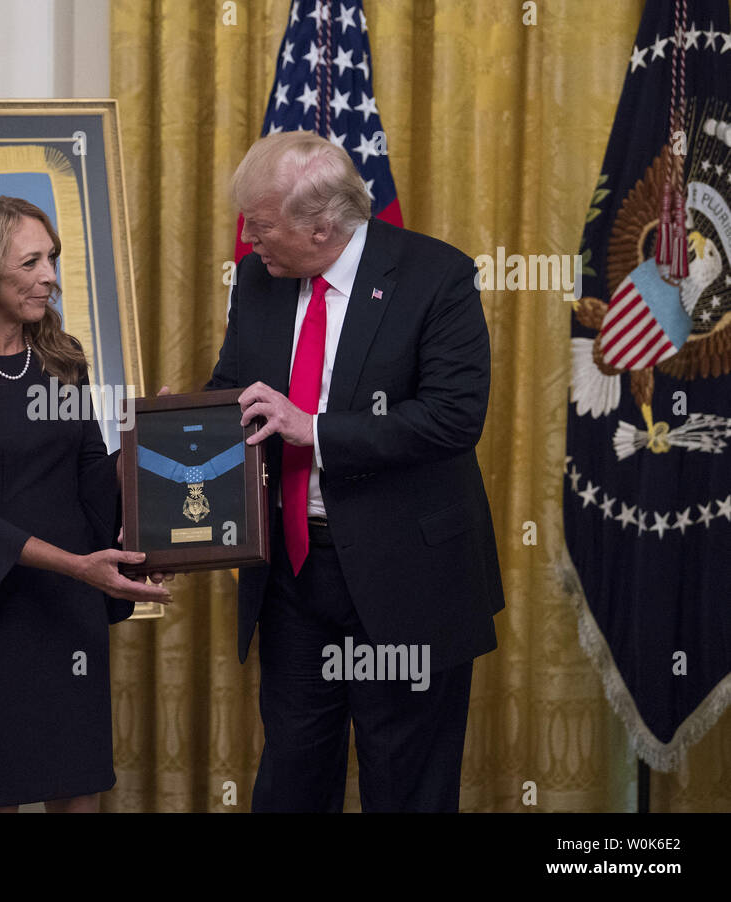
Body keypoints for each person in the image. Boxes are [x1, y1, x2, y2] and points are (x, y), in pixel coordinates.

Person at [204, 131, 504, 811]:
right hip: (294, 577)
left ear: (322, 226)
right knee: (290, 783)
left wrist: (314, 429)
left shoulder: (437, 277)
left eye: (262, 224)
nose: (248, 240)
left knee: (407, 788)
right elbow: (234, 389)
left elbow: (454, 418)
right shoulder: (260, 278)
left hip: (408, 582)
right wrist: (184, 432)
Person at [0, 195, 171, 813]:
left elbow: (87, 476)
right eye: (31, 262)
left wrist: (148, 445)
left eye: (51, 258)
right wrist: (80, 565)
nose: (50, 276)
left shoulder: (63, 359)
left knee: (78, 793)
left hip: (69, 614)